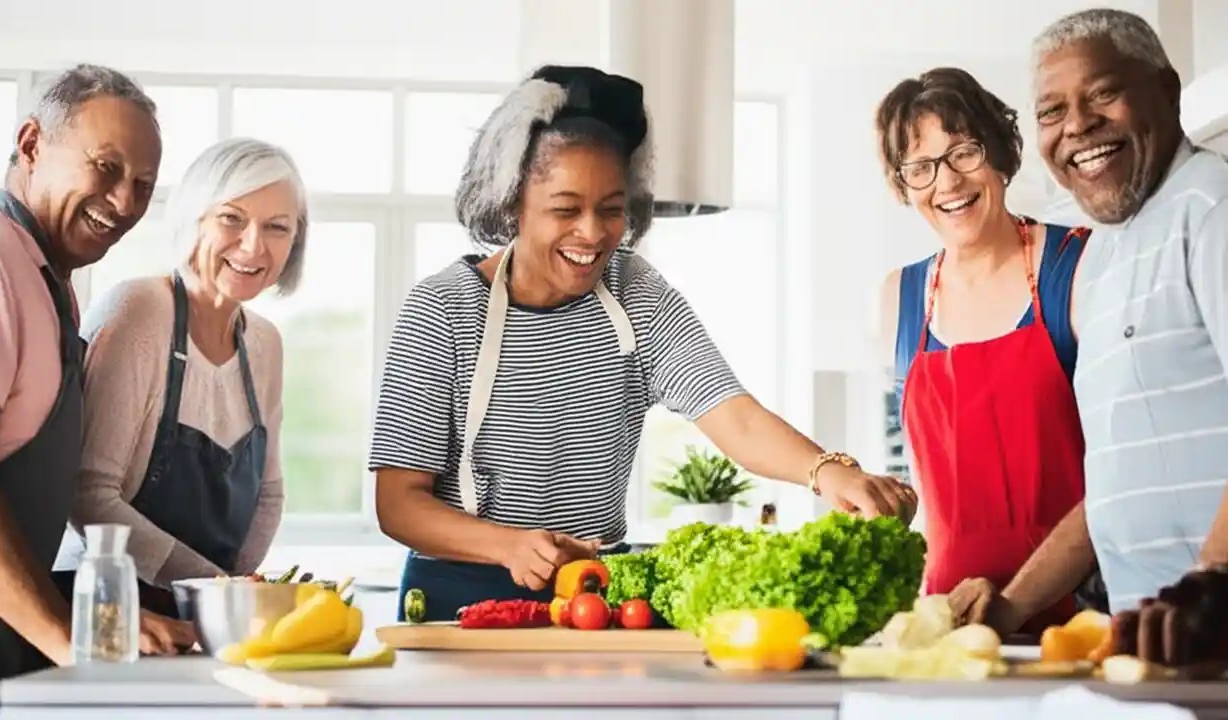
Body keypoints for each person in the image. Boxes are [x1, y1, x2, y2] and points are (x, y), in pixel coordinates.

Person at [368, 64, 917, 622]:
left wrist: (828, 471)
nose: (593, 233)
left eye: (611, 209)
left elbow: (735, 416)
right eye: (565, 209)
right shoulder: (443, 308)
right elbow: (398, 503)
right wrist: (508, 545)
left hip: (593, 595)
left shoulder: (635, 293)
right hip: (458, 596)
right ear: (513, 203)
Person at [954, 9, 1228, 669]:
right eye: (1051, 111)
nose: (1076, 125)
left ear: (1165, 90)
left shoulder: (1212, 207)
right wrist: (1012, 605)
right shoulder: (1102, 259)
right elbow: (1114, 487)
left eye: (1102, 93)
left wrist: (1216, 577)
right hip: (1154, 651)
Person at [0, 64, 193, 720]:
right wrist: (67, 635)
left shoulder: (45, 273)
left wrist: (106, 616)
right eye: (105, 167)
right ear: (31, 144)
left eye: (142, 185)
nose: (123, 202)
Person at [874, 68, 1093, 634]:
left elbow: (1125, 464)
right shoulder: (899, 295)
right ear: (904, 186)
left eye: (964, 153)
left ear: (999, 156)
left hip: (1081, 612)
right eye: (920, 167)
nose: (946, 182)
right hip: (953, 616)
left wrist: (1015, 602)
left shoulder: (1078, 266)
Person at [52, 138, 303, 614]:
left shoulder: (265, 343)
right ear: (193, 219)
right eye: (231, 218)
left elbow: (268, 494)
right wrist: (219, 589)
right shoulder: (138, 311)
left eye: (277, 227)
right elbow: (88, 496)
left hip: (203, 610)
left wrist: (228, 597)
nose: (254, 245)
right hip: (104, 605)